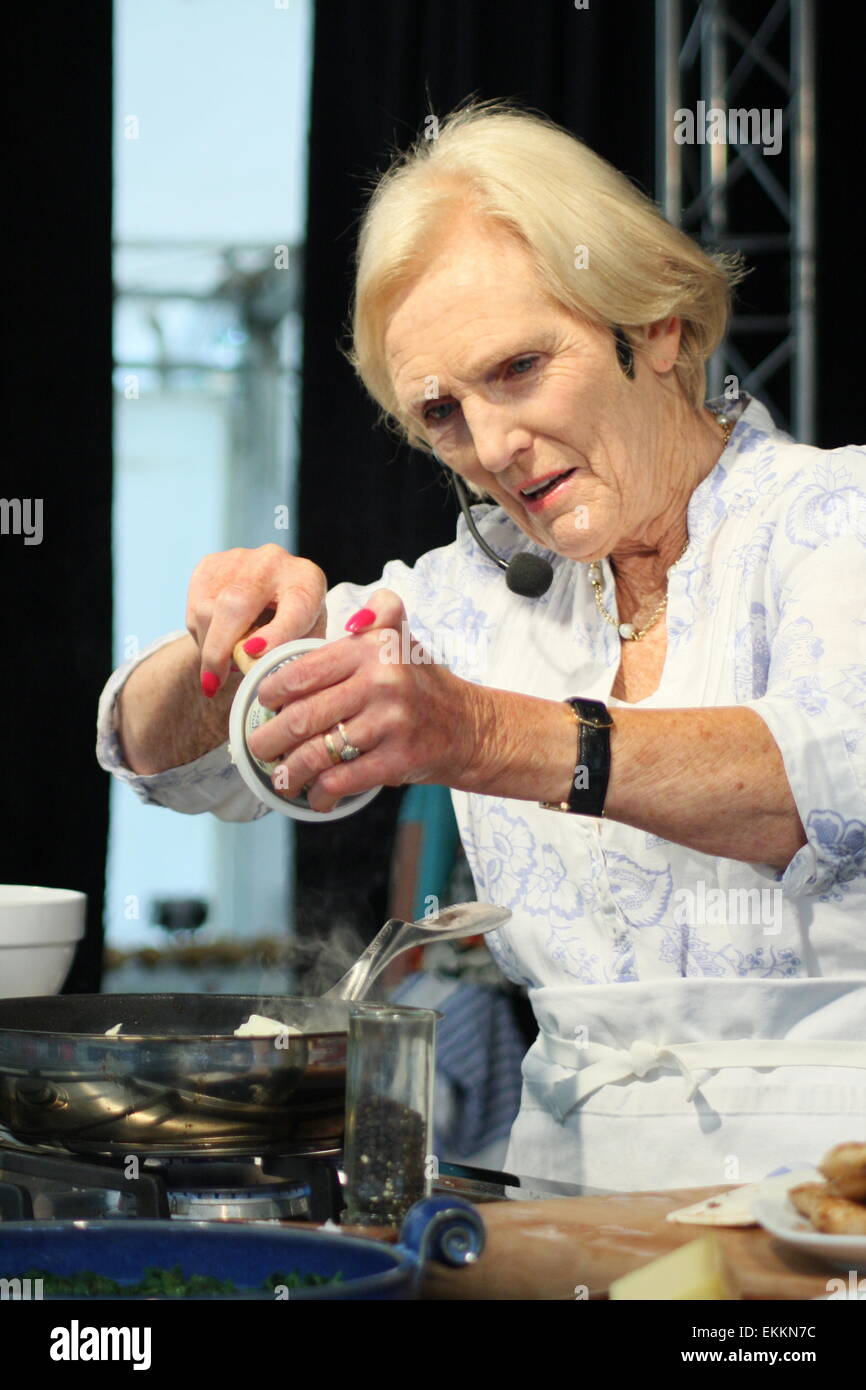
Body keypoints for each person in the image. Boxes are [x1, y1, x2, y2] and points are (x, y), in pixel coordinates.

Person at [98, 101, 866, 1190]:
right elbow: (172, 758)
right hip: (569, 1198)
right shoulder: (466, 599)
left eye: (517, 368)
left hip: (831, 1187)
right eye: (442, 413)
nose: (493, 446)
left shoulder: (835, 517)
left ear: (648, 324)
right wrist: (221, 644)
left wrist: (476, 732)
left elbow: (816, 783)